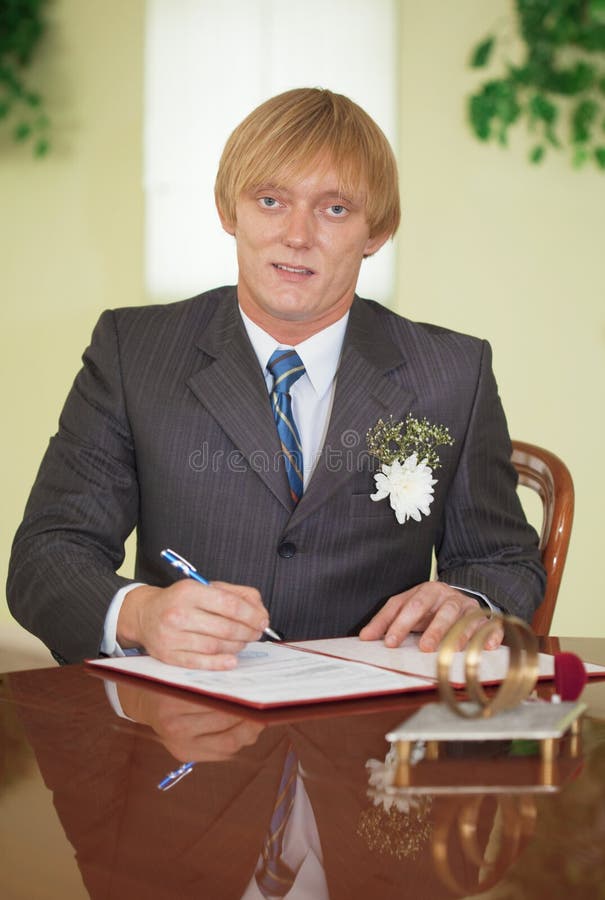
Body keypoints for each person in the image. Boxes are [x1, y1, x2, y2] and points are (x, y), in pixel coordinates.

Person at [7, 88, 545, 667]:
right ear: (228, 210)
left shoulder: (453, 373)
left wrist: (466, 599)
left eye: (334, 209)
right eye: (270, 200)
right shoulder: (132, 353)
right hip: (184, 723)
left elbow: (504, 562)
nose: (297, 234)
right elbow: (48, 553)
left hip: (368, 730)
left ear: (377, 231)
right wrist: (141, 615)